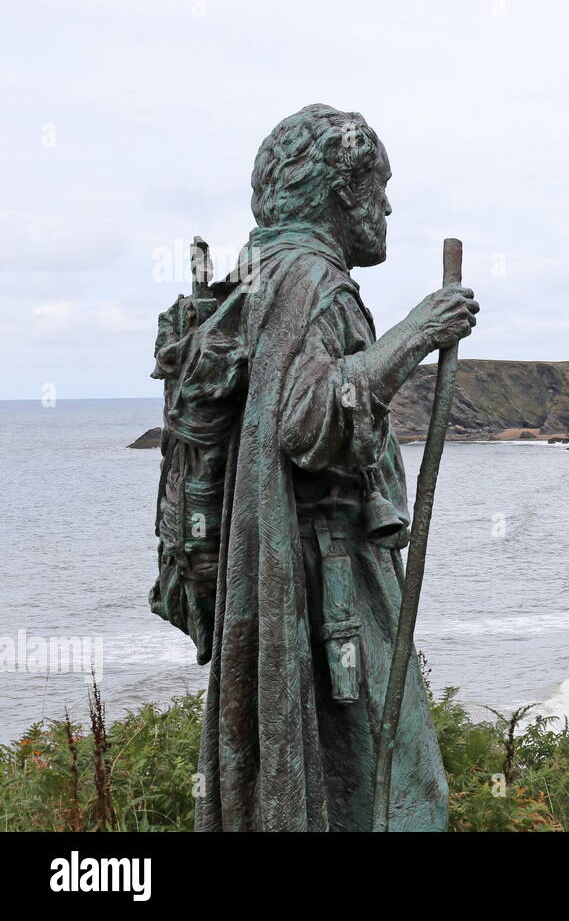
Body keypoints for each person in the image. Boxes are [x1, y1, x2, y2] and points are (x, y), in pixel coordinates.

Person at [168, 105, 480, 832]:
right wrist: (418, 333)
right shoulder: (315, 283)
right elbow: (308, 424)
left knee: (352, 781)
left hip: (287, 573)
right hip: (322, 574)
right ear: (343, 191)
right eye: (379, 187)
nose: (388, 206)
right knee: (405, 788)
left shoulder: (258, 272)